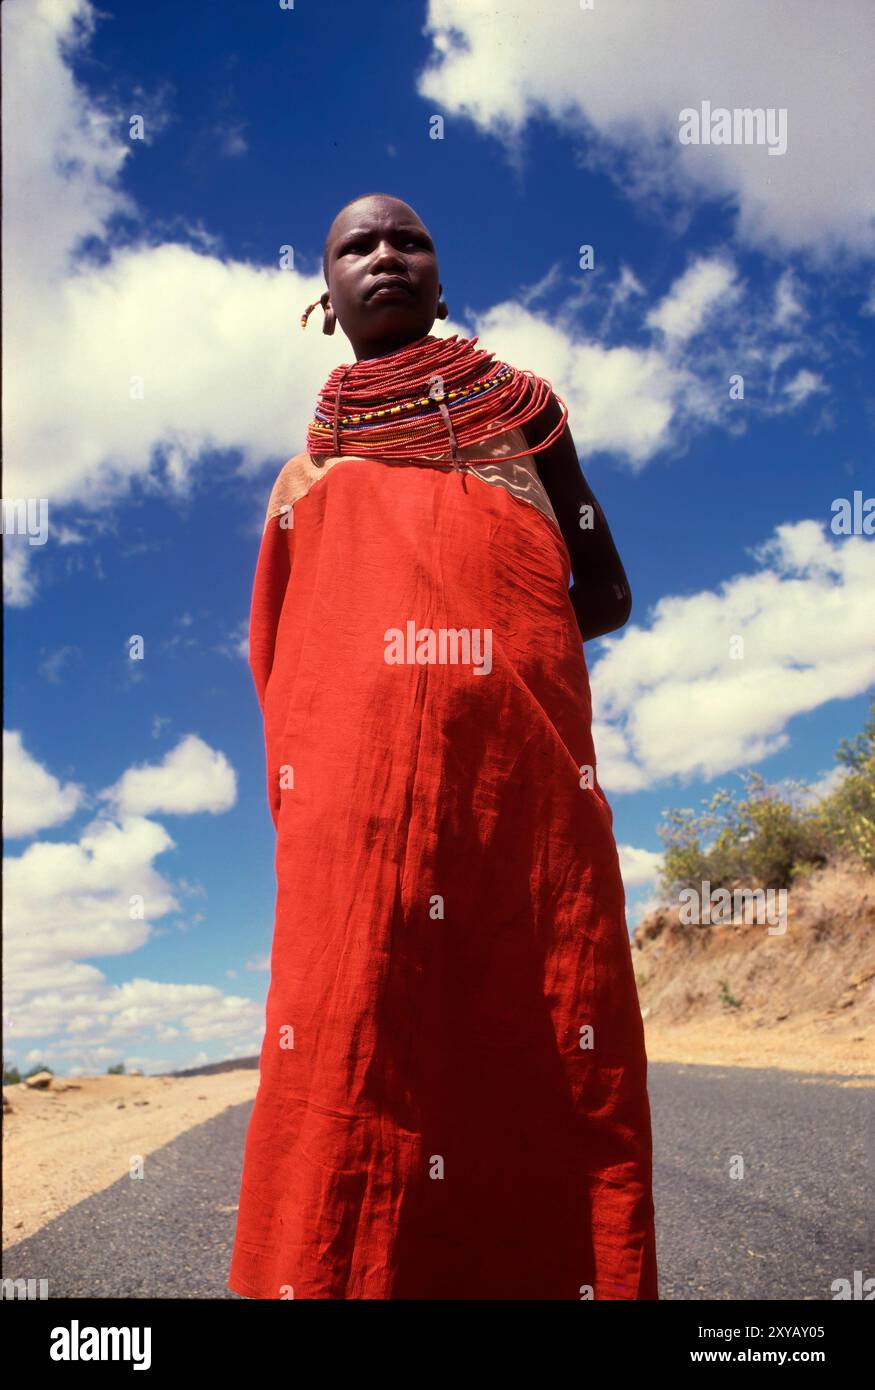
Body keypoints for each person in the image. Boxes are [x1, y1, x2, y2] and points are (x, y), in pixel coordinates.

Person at [227, 192, 658, 1300]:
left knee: (546, 1003)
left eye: (406, 240)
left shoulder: (525, 414)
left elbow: (600, 588)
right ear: (321, 296)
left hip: (516, 777)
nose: (384, 256)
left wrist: (494, 639)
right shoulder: (307, 471)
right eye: (355, 246)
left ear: (439, 273)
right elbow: (285, 646)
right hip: (356, 799)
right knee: (351, 1009)